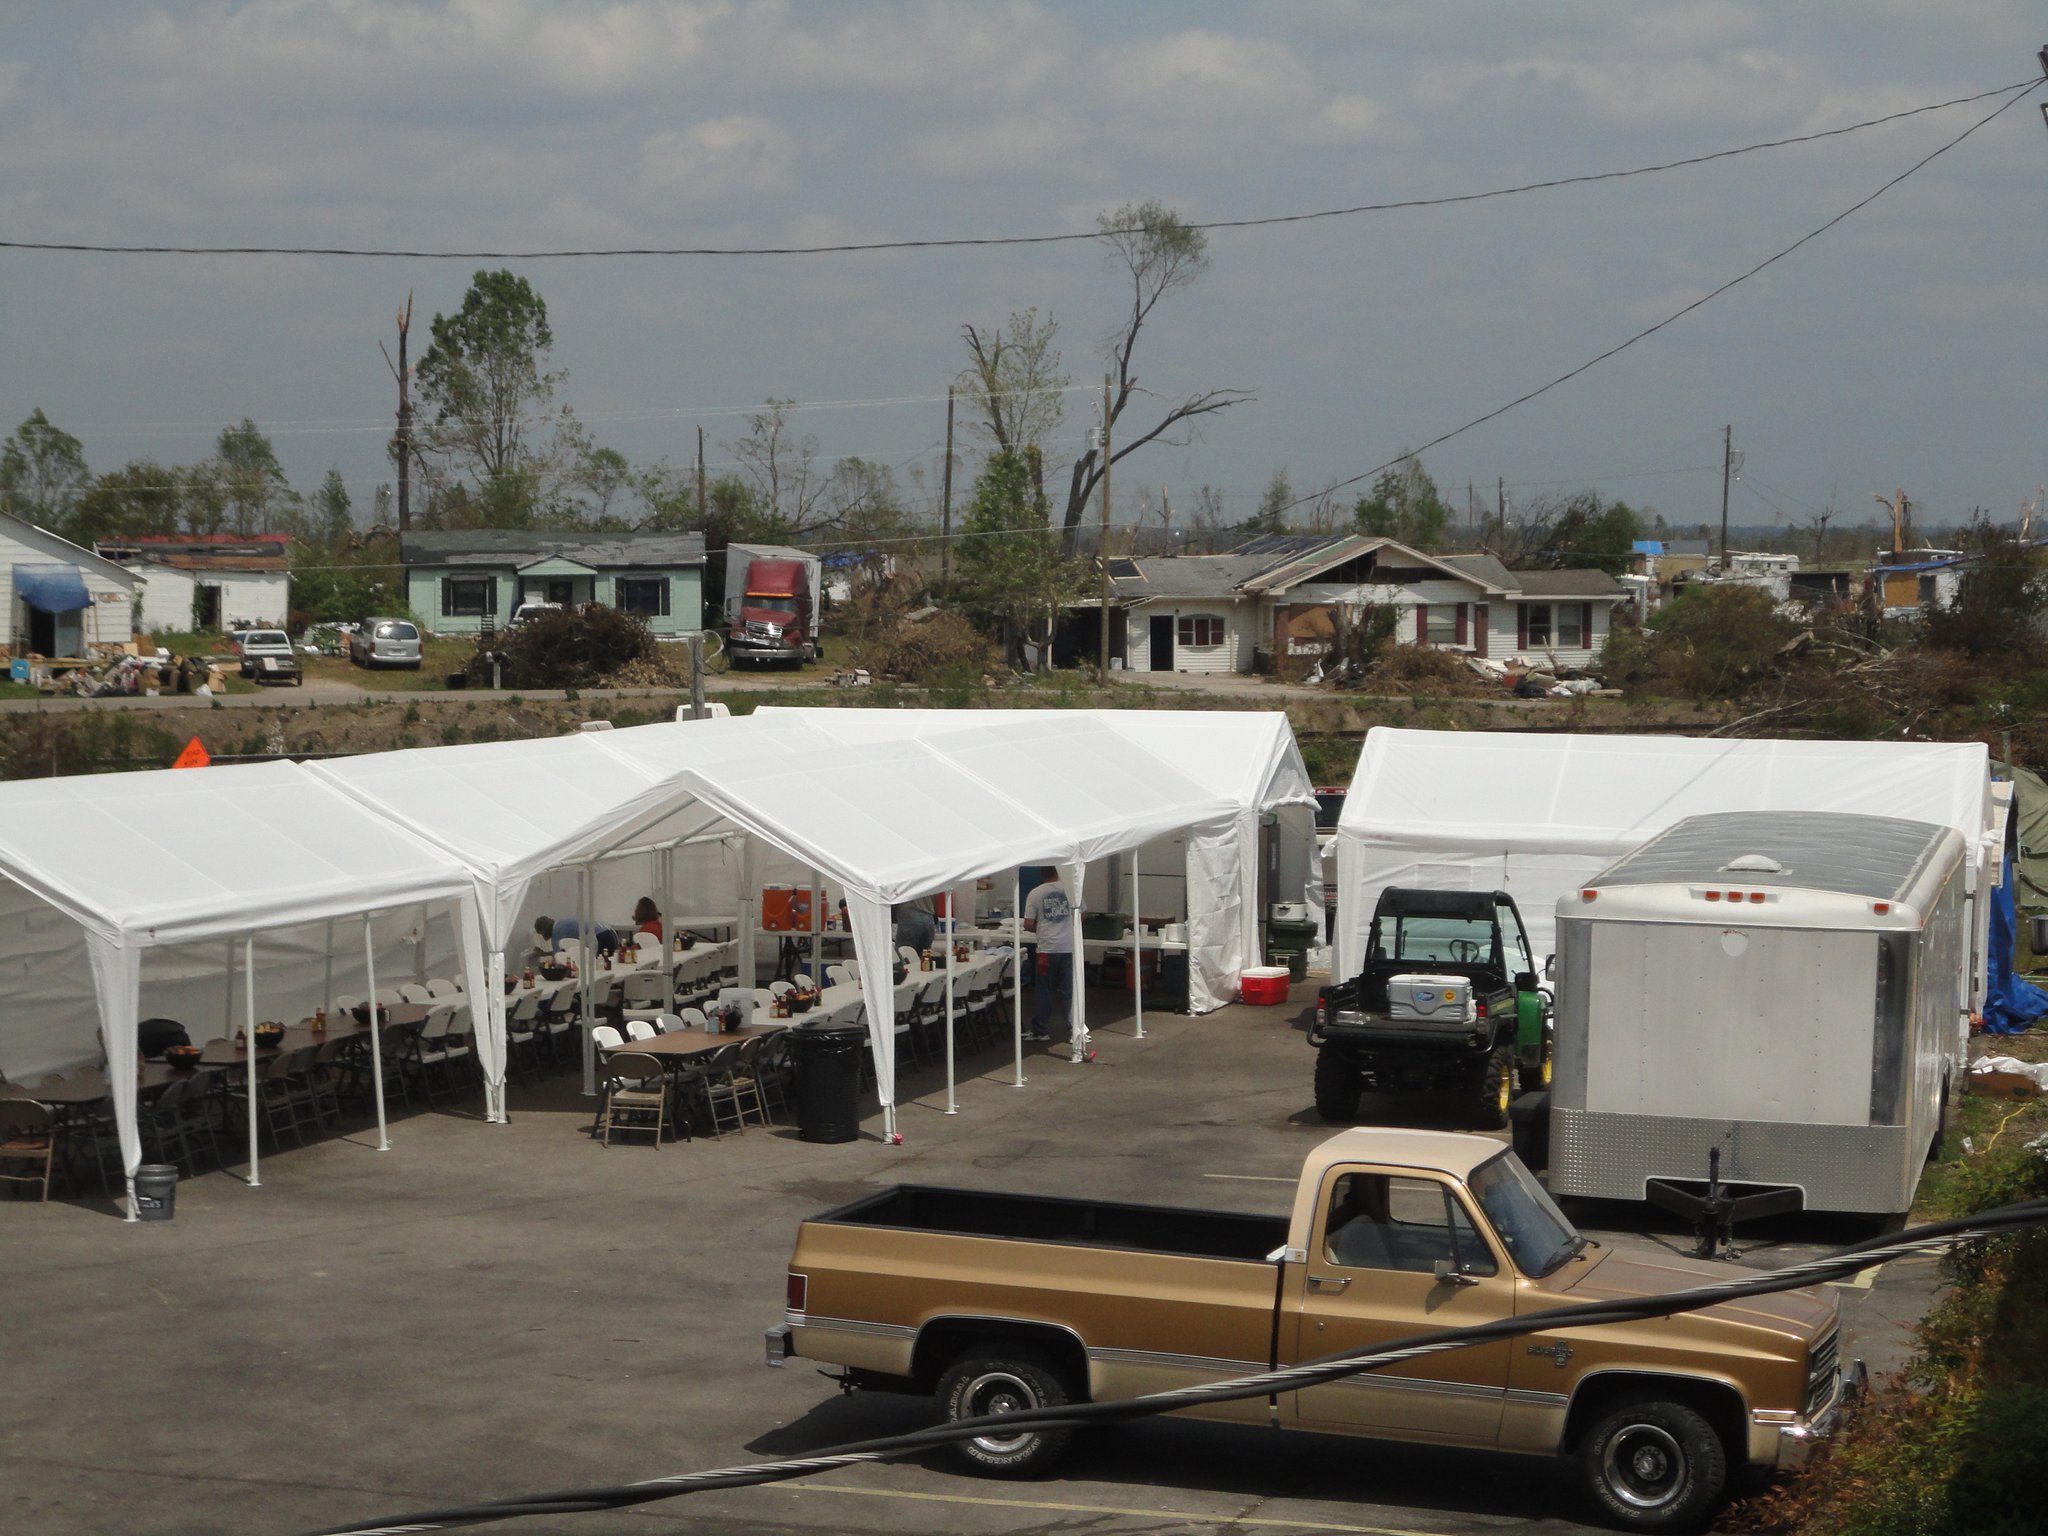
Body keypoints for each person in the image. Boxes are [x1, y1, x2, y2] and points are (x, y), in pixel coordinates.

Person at [1023, 868, 1093, 1063]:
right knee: (1070, 991)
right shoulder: (1071, 890)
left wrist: (1045, 928)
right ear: (1058, 872)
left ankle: (1040, 1030)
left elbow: (1028, 923)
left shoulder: (1035, 893)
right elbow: (1084, 913)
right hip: (1070, 948)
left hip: (1046, 949)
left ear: (1041, 874)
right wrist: (1068, 924)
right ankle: (1075, 1030)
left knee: (1044, 990)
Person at [533, 913, 619, 959]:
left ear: (544, 930)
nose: (544, 937)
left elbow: (559, 956)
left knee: (599, 967)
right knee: (607, 964)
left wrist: (543, 954)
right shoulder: (561, 923)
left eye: (541, 933)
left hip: (601, 937)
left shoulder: (557, 931)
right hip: (611, 933)